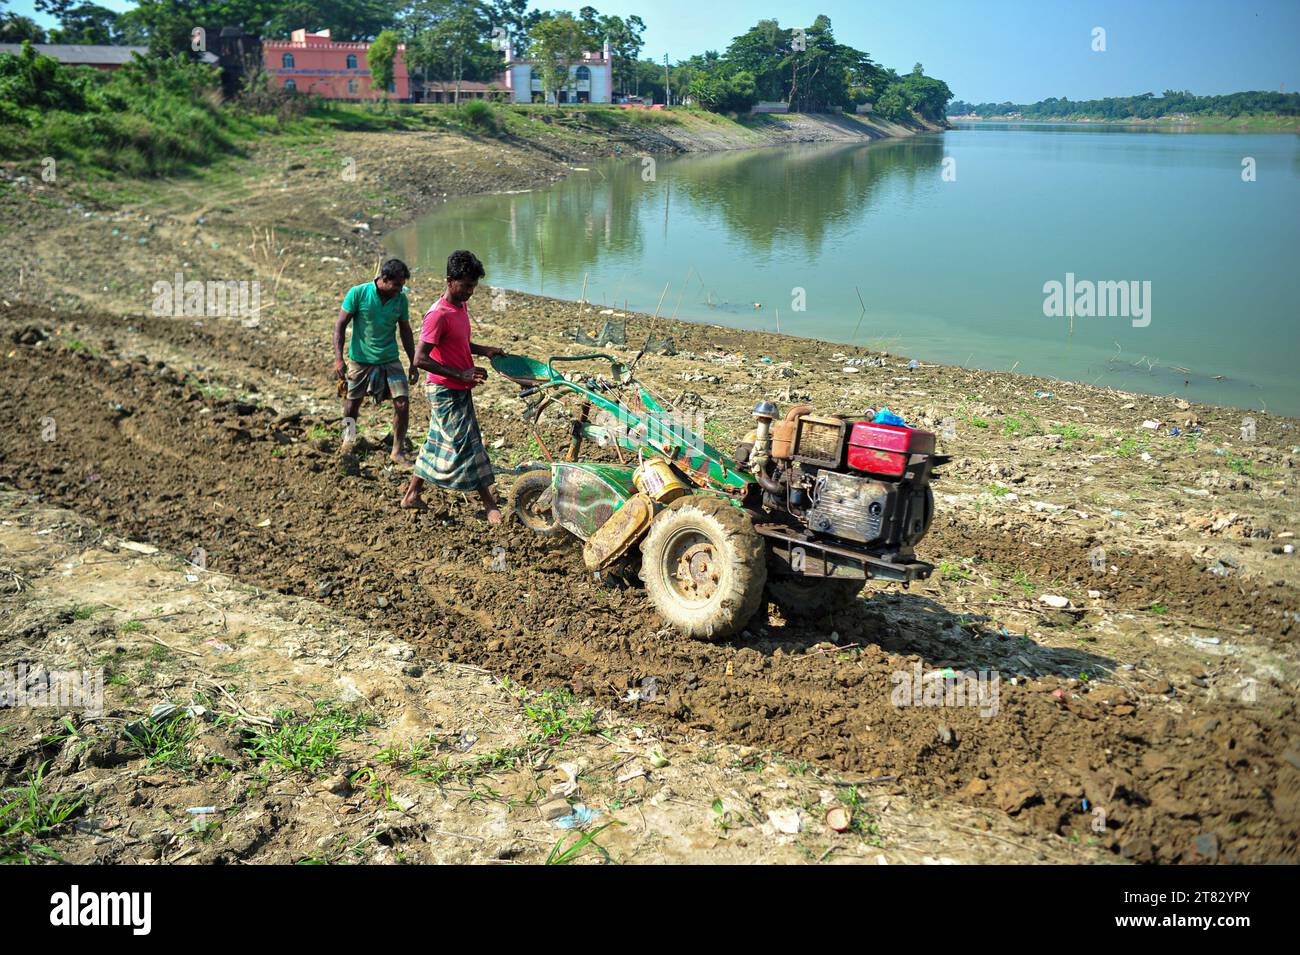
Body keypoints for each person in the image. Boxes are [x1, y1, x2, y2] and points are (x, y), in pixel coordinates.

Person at [402, 250, 505, 521]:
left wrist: (485, 350)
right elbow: (420, 358)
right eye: (466, 285)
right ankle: (490, 505)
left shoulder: (460, 306)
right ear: (450, 280)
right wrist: (461, 375)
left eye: (473, 286)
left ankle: (412, 495)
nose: (470, 291)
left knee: (436, 442)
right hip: (444, 390)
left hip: (458, 387)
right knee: (468, 443)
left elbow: (458, 343)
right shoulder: (437, 315)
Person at [333, 258, 416, 467]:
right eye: (397, 284)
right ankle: (348, 439)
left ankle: (397, 449)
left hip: (390, 358)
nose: (400, 289)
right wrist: (338, 359)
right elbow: (340, 325)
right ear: (384, 279)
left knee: (402, 403)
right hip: (360, 360)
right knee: (352, 403)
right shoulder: (358, 293)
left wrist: (413, 361)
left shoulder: (400, 299)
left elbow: (405, 330)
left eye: (402, 285)